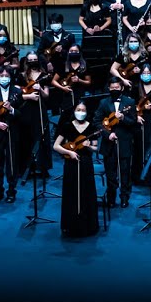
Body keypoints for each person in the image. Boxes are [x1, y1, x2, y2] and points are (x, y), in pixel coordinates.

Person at [54, 102, 100, 237]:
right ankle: (70, 226)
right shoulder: (67, 126)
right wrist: (69, 153)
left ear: (87, 112)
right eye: (78, 109)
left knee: (87, 192)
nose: (80, 112)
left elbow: (96, 148)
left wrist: (88, 146)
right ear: (74, 111)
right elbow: (56, 146)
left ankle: (88, 226)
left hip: (86, 163)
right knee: (71, 193)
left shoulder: (92, 127)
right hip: (71, 163)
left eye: (83, 110)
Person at [94, 76, 140, 208]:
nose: (115, 89)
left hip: (124, 142)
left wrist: (123, 117)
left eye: (117, 87)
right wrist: (107, 134)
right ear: (109, 88)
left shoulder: (130, 102)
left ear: (122, 88)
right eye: (112, 87)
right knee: (110, 173)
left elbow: (133, 122)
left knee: (125, 172)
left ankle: (125, 197)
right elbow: (97, 122)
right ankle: (111, 198)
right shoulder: (103, 103)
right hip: (108, 143)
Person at [0, 65, 24, 202]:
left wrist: (12, 109)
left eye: (7, 76)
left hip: (12, 132)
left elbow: (21, 114)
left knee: (12, 162)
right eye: (2, 76)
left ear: (11, 77)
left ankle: (11, 190)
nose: (4, 78)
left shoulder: (17, 92)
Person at [17, 52, 52, 179]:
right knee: (27, 137)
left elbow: (47, 95)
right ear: (27, 61)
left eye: (35, 59)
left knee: (41, 137)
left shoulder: (44, 76)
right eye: (30, 60)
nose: (33, 61)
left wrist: (40, 89)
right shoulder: (22, 75)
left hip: (40, 108)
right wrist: (28, 95)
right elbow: (17, 93)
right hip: (26, 109)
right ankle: (27, 168)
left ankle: (42, 167)